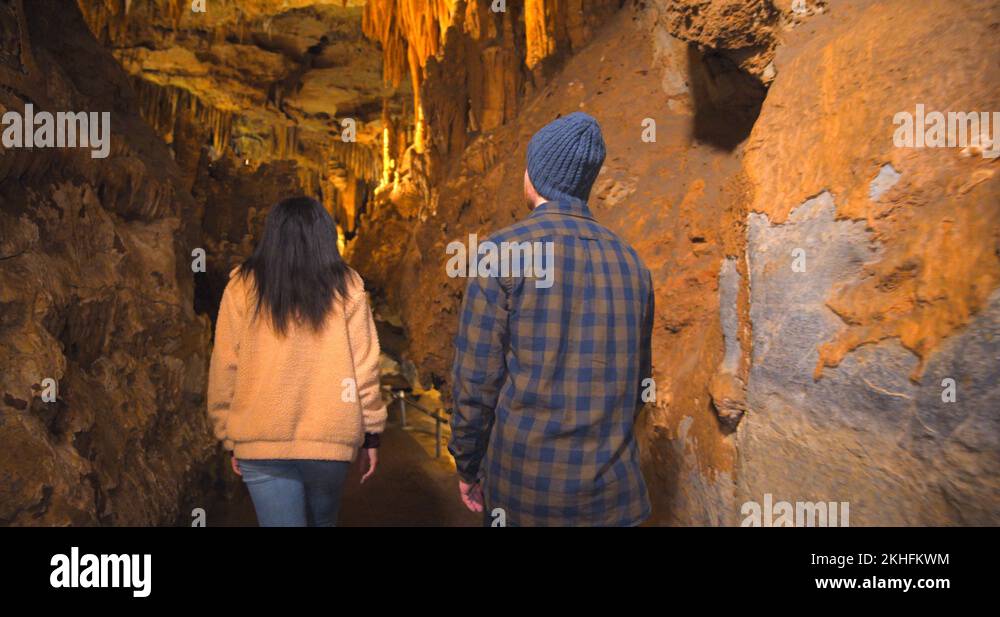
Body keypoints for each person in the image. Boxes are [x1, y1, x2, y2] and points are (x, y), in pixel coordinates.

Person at [449, 112, 654, 527]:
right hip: (613, 494)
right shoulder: (632, 262)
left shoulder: (502, 253)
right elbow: (639, 385)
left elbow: (475, 382)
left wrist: (468, 464)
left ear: (535, 174)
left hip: (527, 489)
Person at [207, 196, 387, 527]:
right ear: (325, 236)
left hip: (261, 441)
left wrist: (228, 434)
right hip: (329, 440)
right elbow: (364, 366)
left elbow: (225, 365)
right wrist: (371, 432)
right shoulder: (347, 285)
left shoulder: (242, 286)